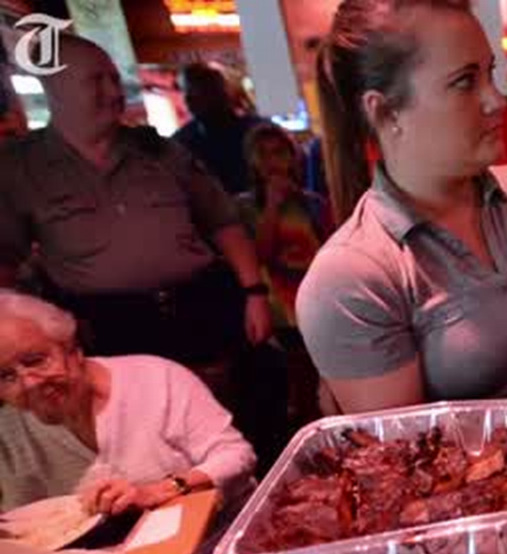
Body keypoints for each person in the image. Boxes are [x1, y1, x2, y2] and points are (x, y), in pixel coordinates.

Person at [297, 0, 507, 415]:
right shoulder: (352, 276)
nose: (497, 100)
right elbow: (404, 463)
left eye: (490, 73)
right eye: (465, 81)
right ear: (386, 111)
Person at [0, 36, 272, 372]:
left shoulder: (162, 150)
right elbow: (6, 262)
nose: (114, 92)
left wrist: (255, 293)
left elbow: (223, 222)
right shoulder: (21, 167)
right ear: (58, 89)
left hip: (200, 310)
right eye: (96, 80)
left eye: (114, 79)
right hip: (108, 330)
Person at [0, 291, 255, 514]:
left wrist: (159, 490)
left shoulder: (155, 379)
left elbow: (235, 456)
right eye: (5, 376)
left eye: (35, 361)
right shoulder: (8, 431)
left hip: (210, 533)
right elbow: (24, 522)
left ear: (73, 350)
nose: (29, 383)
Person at [237, 124, 332, 427]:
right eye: (262, 154)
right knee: (298, 387)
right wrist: (273, 207)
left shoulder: (313, 203)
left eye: (278, 152)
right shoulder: (245, 207)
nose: (271, 161)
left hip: (318, 305)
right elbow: (258, 256)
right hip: (280, 314)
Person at [173, 63, 270, 195]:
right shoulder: (180, 144)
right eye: (187, 93)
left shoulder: (259, 131)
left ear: (223, 94)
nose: (188, 100)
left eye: (200, 92)